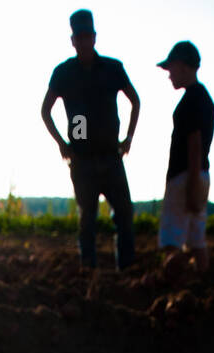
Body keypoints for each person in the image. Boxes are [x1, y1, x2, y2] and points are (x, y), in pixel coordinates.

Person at [41, 9, 140, 271]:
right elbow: (45, 110)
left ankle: (127, 272)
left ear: (94, 38)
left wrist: (128, 138)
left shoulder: (113, 68)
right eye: (79, 37)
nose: (84, 42)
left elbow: (135, 101)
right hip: (82, 159)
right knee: (87, 220)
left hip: (111, 155)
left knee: (124, 216)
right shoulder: (63, 73)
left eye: (88, 36)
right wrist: (62, 143)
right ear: (73, 40)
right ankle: (88, 273)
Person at [157, 41, 214, 273]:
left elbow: (194, 145)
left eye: (170, 68)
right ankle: (202, 286)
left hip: (185, 176)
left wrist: (190, 184)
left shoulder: (190, 101)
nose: (169, 75)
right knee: (196, 239)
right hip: (200, 174)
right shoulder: (205, 99)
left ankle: (169, 287)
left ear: (182, 66)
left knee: (172, 241)